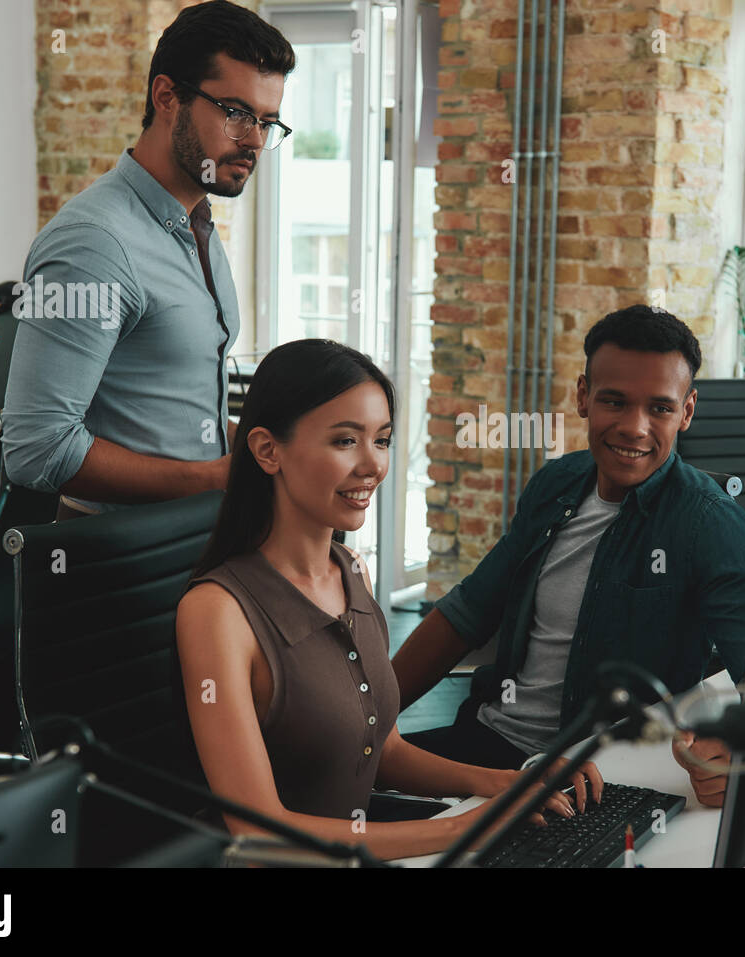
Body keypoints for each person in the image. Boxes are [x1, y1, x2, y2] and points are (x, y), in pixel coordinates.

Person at [176, 340, 601, 861]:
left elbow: (385, 752)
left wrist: (510, 783)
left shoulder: (353, 571)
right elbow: (259, 834)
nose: (371, 465)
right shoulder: (217, 612)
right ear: (267, 450)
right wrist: (463, 828)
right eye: (344, 441)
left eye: (381, 440)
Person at [393, 305, 745, 807]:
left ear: (687, 411)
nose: (635, 427)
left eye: (659, 408)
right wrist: (365, 718)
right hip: (489, 748)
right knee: (325, 792)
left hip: (598, 775)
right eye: (615, 401)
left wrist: (738, 751)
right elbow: (467, 613)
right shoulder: (557, 483)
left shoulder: (709, 523)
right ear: (584, 396)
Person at [2, 1, 293, 519]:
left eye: (268, 122)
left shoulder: (196, 223)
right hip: (121, 569)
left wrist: (263, 451)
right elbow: (36, 449)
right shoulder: (94, 244)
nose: (253, 140)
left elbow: (169, 414)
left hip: (191, 545)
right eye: (236, 113)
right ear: (167, 97)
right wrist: (211, 479)